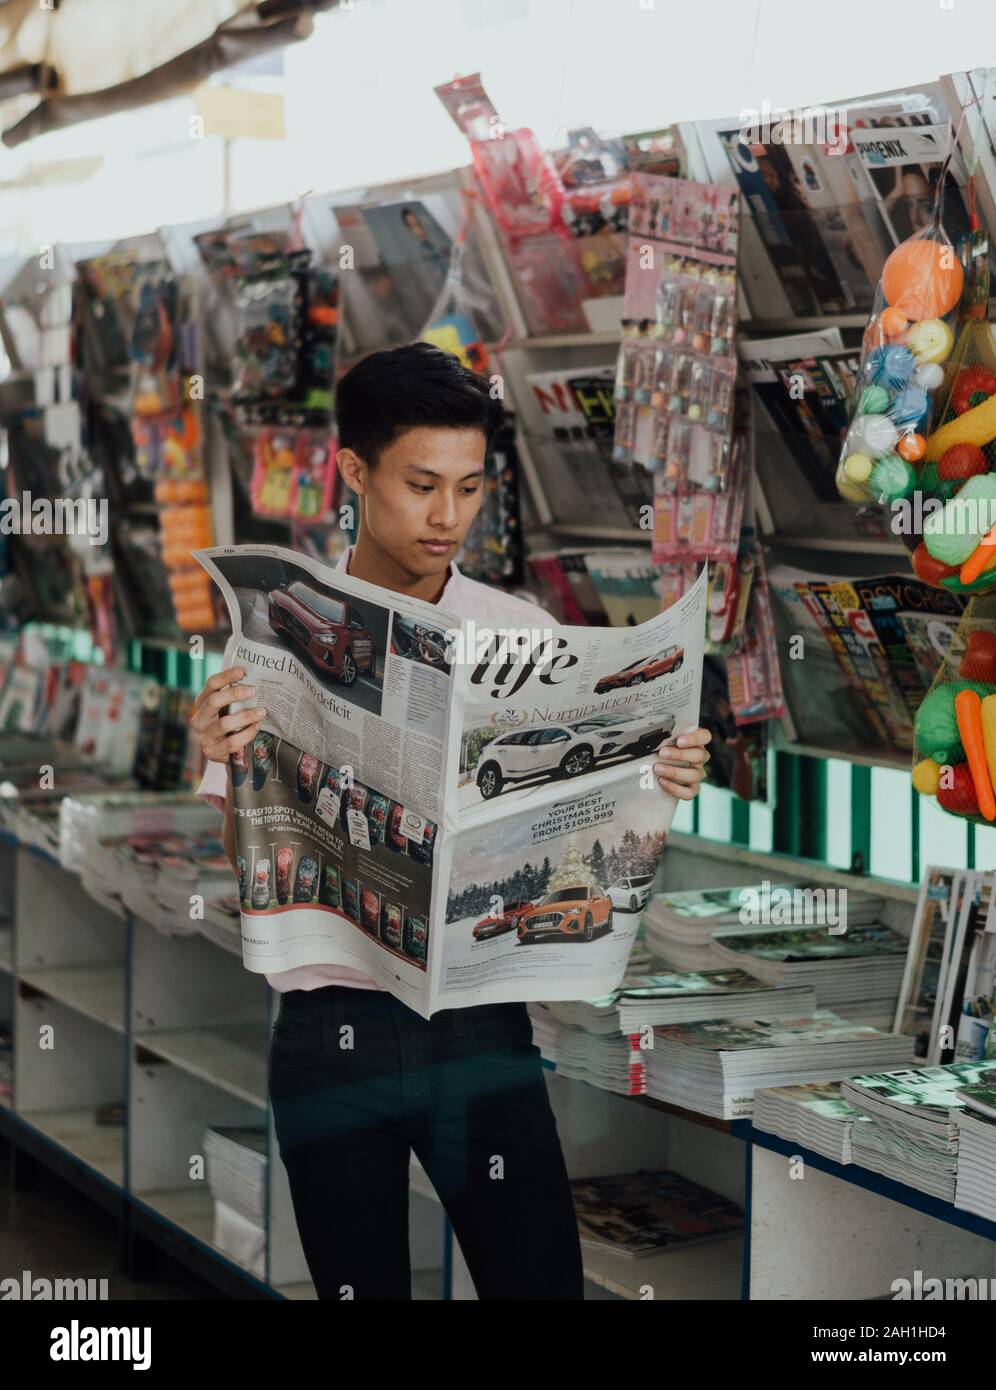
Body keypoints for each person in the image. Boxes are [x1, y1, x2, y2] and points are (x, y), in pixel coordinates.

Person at [190, 343, 711, 1300]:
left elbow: (590, 843)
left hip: (477, 1034)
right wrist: (228, 757)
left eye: (470, 488)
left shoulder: (520, 631)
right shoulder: (270, 633)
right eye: (421, 485)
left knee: (540, 1287)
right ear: (353, 470)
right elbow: (247, 866)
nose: (447, 517)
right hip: (328, 1031)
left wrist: (658, 779)